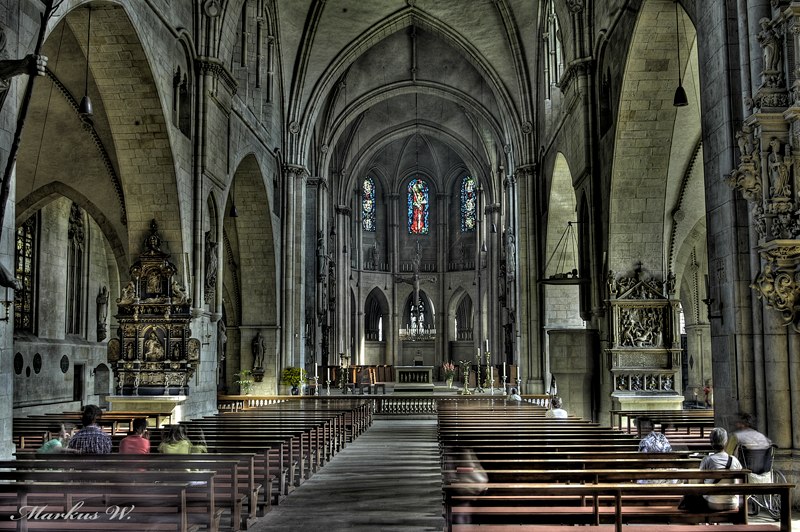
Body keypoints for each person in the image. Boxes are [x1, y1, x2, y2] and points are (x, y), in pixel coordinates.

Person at [696, 427, 743, 511]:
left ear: (711, 442)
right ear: (726, 442)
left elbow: (700, 483)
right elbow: (739, 482)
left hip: (713, 504)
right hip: (732, 503)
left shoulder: (707, 460)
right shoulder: (734, 460)